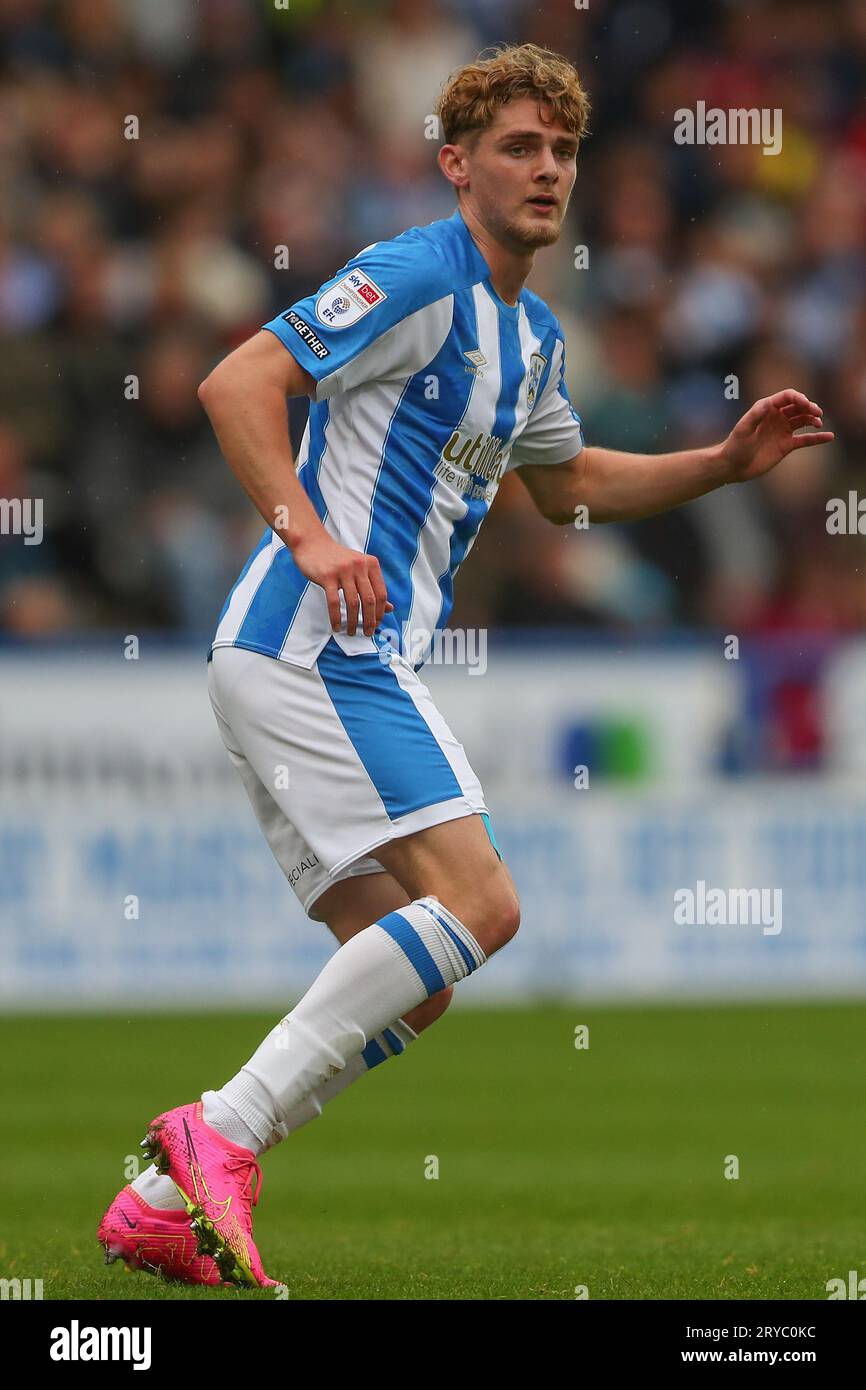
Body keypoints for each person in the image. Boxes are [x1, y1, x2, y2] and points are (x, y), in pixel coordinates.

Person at [97, 42, 832, 1287]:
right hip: (314, 647)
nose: (546, 170)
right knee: (485, 906)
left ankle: (168, 1197)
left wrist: (714, 463)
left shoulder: (531, 335)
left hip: (309, 663)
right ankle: (215, 1135)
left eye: (561, 151)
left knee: (409, 979)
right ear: (454, 163)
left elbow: (567, 486)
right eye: (516, 147)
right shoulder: (415, 272)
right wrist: (311, 532)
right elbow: (240, 382)